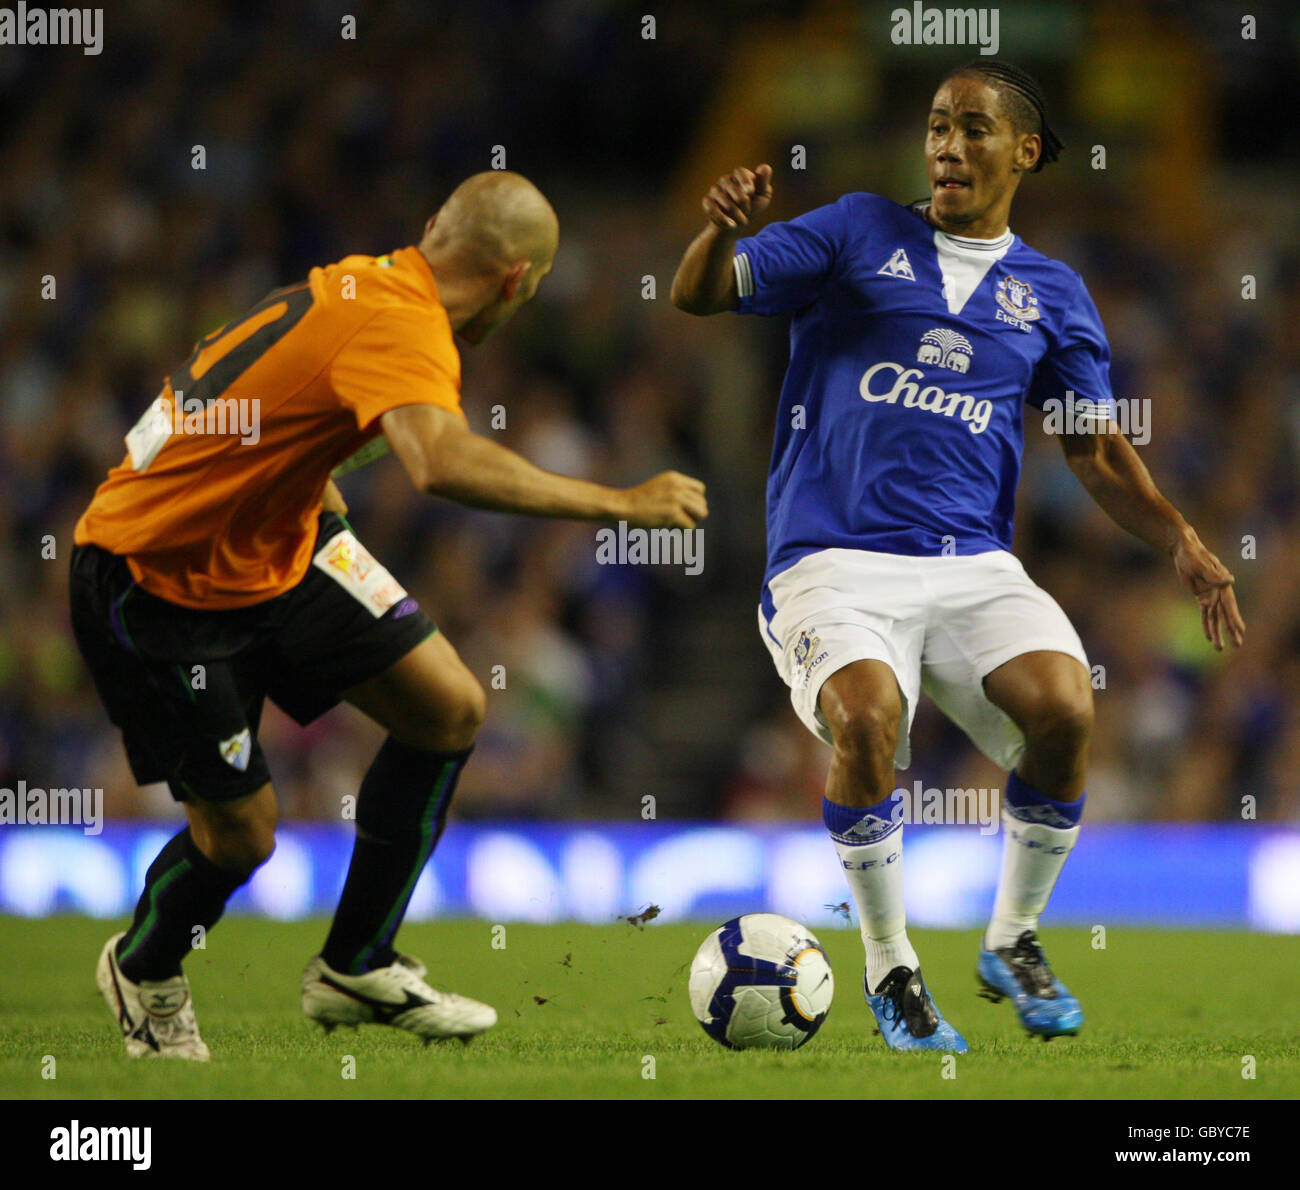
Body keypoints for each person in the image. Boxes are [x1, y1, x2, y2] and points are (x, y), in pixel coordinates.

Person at [671, 60, 1243, 1051]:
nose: (946, 144)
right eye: (937, 126)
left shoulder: (1052, 294)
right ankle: (890, 966)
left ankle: (1011, 939)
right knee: (866, 716)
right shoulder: (854, 230)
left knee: (1066, 705)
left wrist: (1181, 541)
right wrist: (720, 226)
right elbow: (701, 293)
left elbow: (1094, 449)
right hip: (830, 561)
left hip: (971, 564)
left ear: (1023, 150)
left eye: (972, 128)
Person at [72, 170, 707, 1059]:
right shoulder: (405, 324)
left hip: (280, 549)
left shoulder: (362, 283)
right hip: (158, 581)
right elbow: (439, 463)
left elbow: (266, 412)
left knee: (448, 706)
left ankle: (355, 965)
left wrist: (306, 498)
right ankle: (144, 966)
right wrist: (619, 503)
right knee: (243, 837)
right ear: (518, 281)